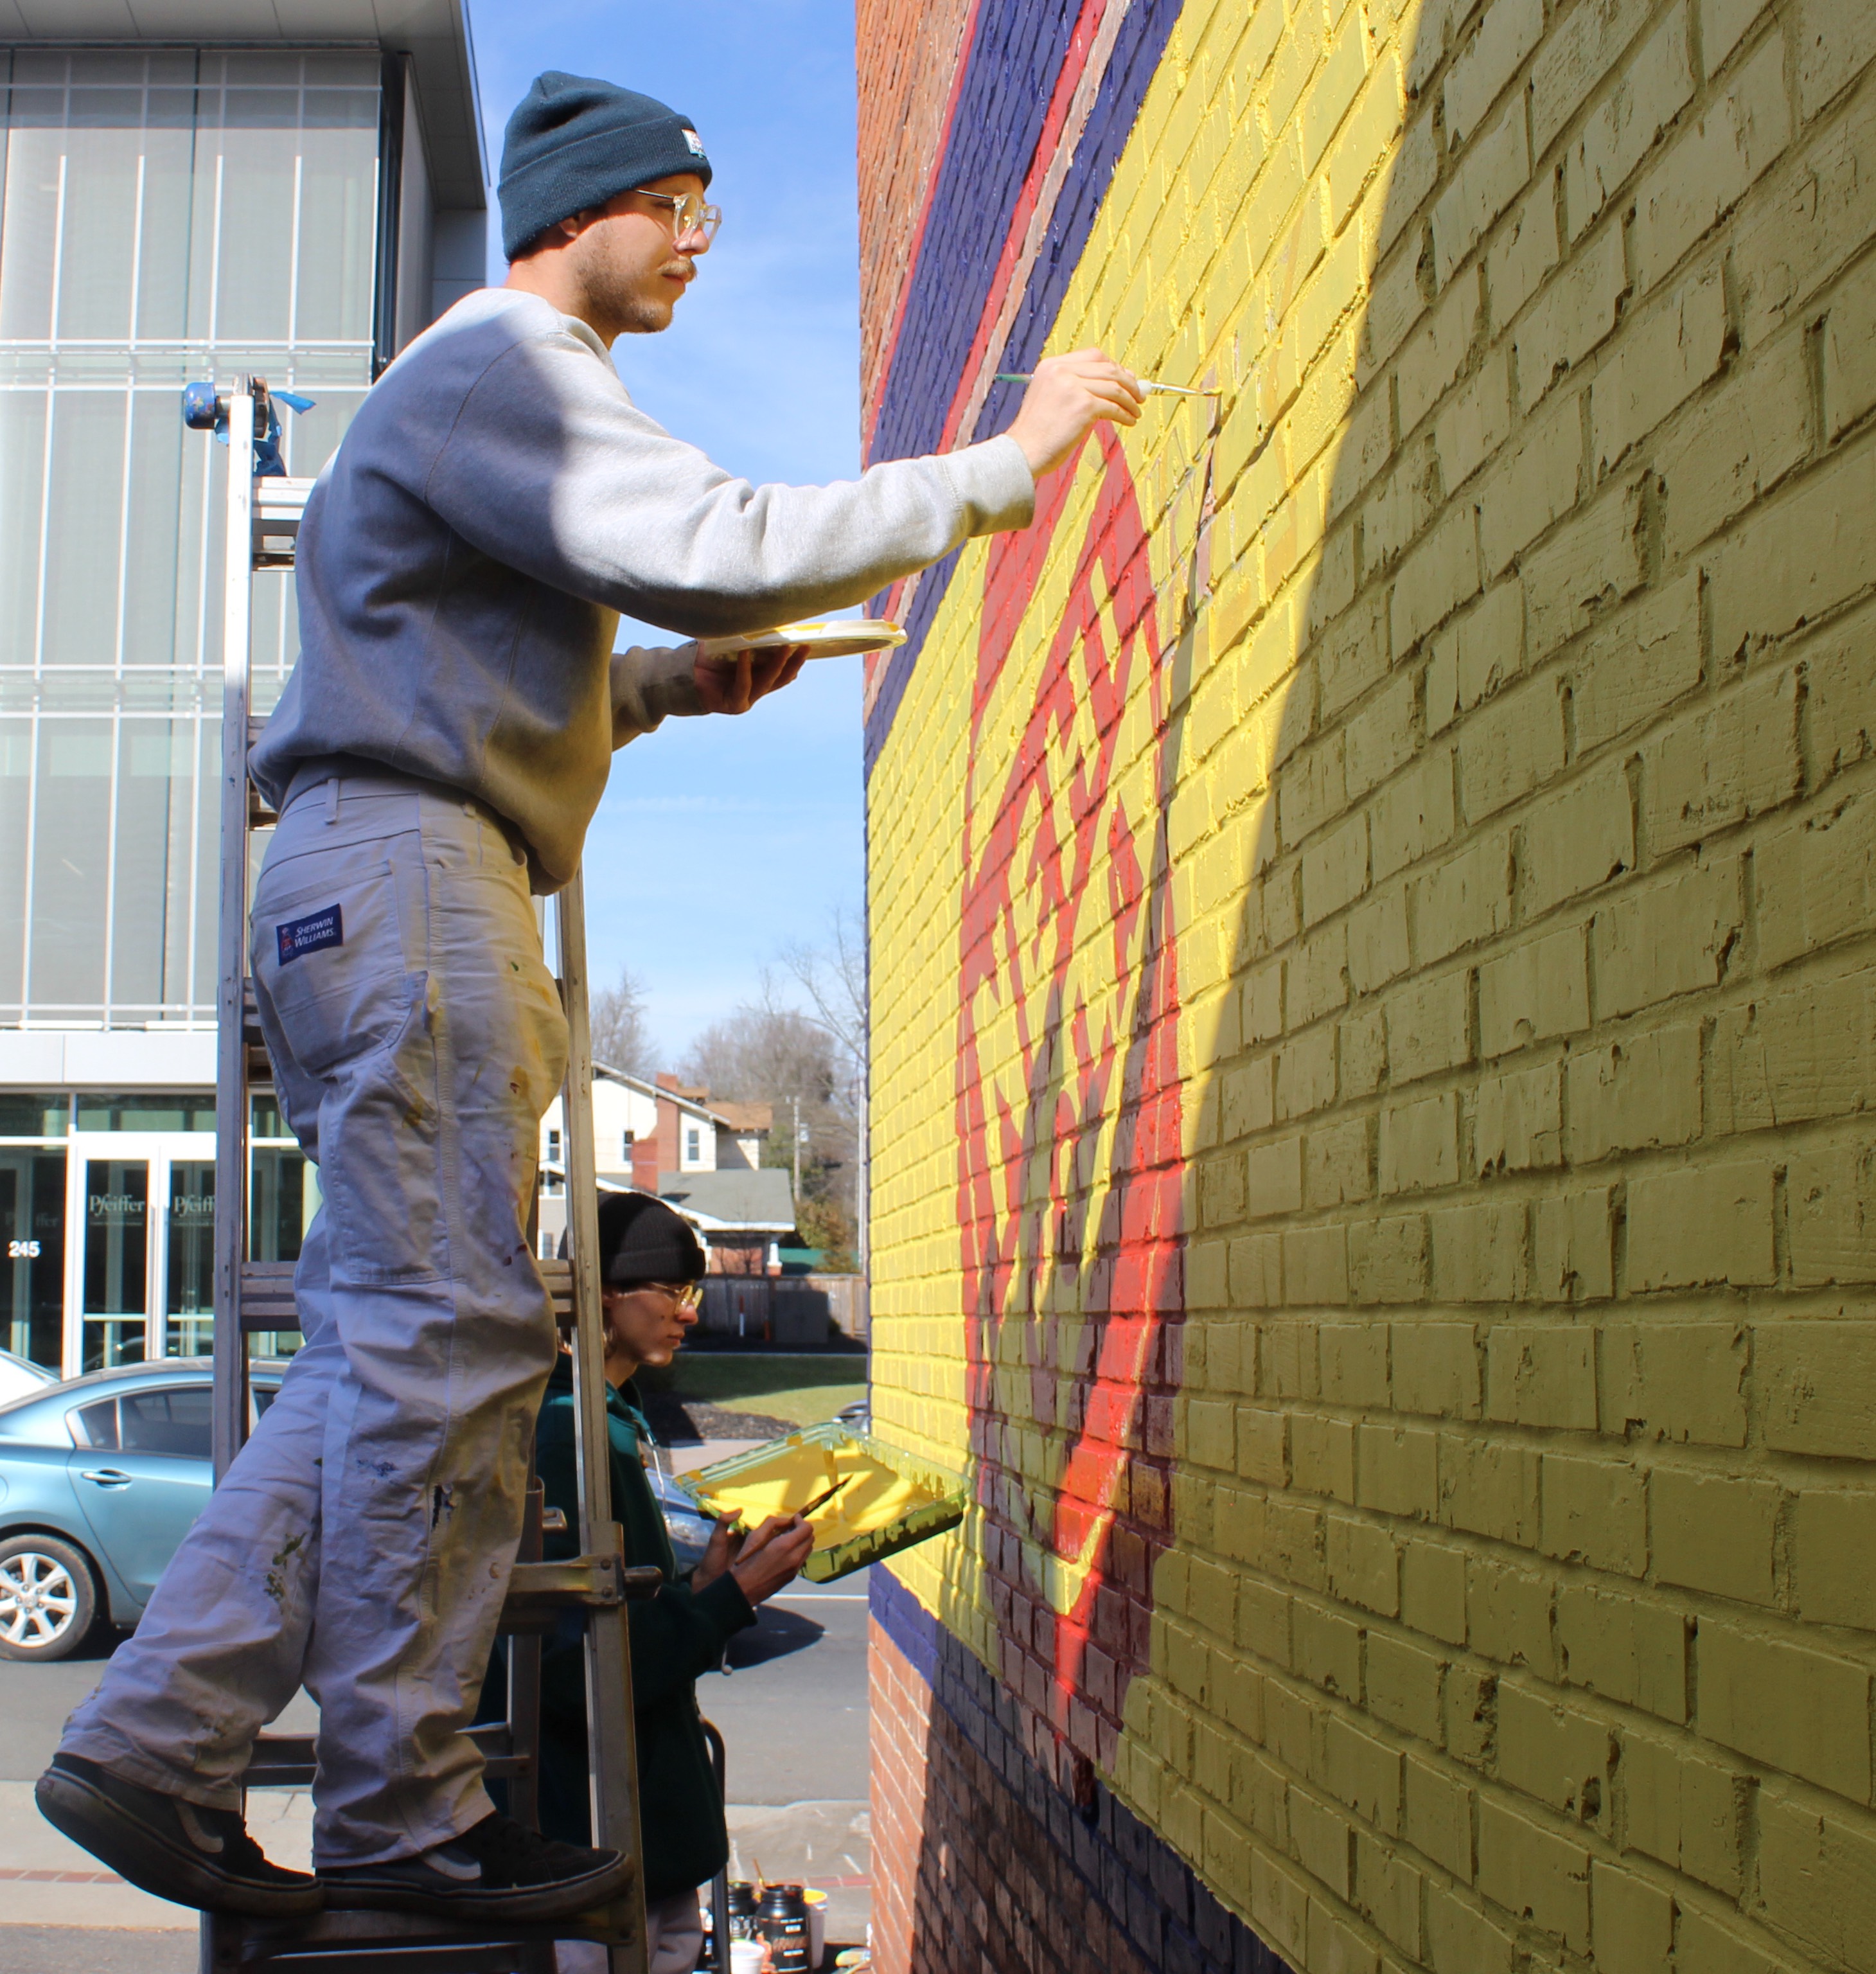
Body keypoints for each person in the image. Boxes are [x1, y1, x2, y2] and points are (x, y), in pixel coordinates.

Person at [39, 68, 1142, 1925]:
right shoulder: (518, 366)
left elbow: (457, 663)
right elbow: (714, 534)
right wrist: (1009, 457)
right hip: (411, 880)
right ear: (581, 208)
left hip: (377, 870)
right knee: (453, 1344)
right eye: (679, 207)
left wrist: (654, 694)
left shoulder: (471, 392)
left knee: (398, 1345)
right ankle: (401, 1806)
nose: (703, 243)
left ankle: (158, 1743)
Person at [487, 1191, 808, 1974]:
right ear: (605, 1293)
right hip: (591, 1827)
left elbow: (625, 1607)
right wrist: (733, 1602)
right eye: (672, 1291)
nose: (689, 1314)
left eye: (691, 1293)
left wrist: (704, 1582)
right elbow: (572, 1667)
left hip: (638, 1827)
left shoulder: (612, 1417)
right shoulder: (567, 1431)